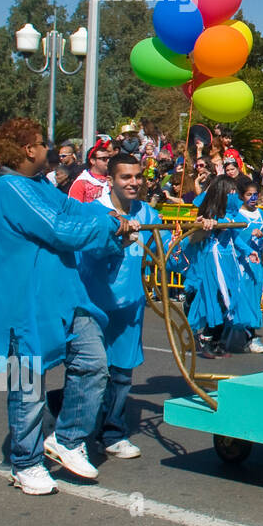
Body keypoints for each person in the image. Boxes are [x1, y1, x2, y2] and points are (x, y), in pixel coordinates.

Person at [0, 118, 136, 495]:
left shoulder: (39, 186)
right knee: (28, 387)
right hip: (24, 305)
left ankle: (66, 439)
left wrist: (111, 219)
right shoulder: (9, 189)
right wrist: (111, 228)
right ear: (28, 150)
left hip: (64, 297)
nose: (49, 148)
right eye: (41, 142)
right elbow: (59, 229)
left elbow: (74, 212)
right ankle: (26, 462)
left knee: (94, 363)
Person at [79, 154, 163, 459]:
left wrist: (200, 235)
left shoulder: (149, 214)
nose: (134, 182)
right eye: (126, 177)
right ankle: (76, 429)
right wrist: (120, 236)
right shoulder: (93, 213)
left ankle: (113, 432)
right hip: (95, 305)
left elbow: (167, 258)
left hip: (130, 307)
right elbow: (87, 254)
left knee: (122, 375)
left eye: (138, 176)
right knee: (91, 371)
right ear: (111, 180)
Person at [169, 176, 252, 357]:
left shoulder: (232, 214)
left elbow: (235, 238)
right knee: (215, 299)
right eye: (230, 191)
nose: (234, 194)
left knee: (228, 299)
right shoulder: (209, 214)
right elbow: (195, 236)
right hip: (211, 261)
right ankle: (206, 337)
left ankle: (216, 339)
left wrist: (248, 251)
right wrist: (206, 224)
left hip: (228, 261)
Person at [232, 177, 263, 354]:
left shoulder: (259, 213)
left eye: (255, 194)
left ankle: (242, 335)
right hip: (242, 262)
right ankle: (251, 338)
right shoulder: (236, 215)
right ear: (242, 196)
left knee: (255, 297)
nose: (253, 198)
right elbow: (235, 239)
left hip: (257, 262)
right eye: (249, 195)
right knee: (244, 298)